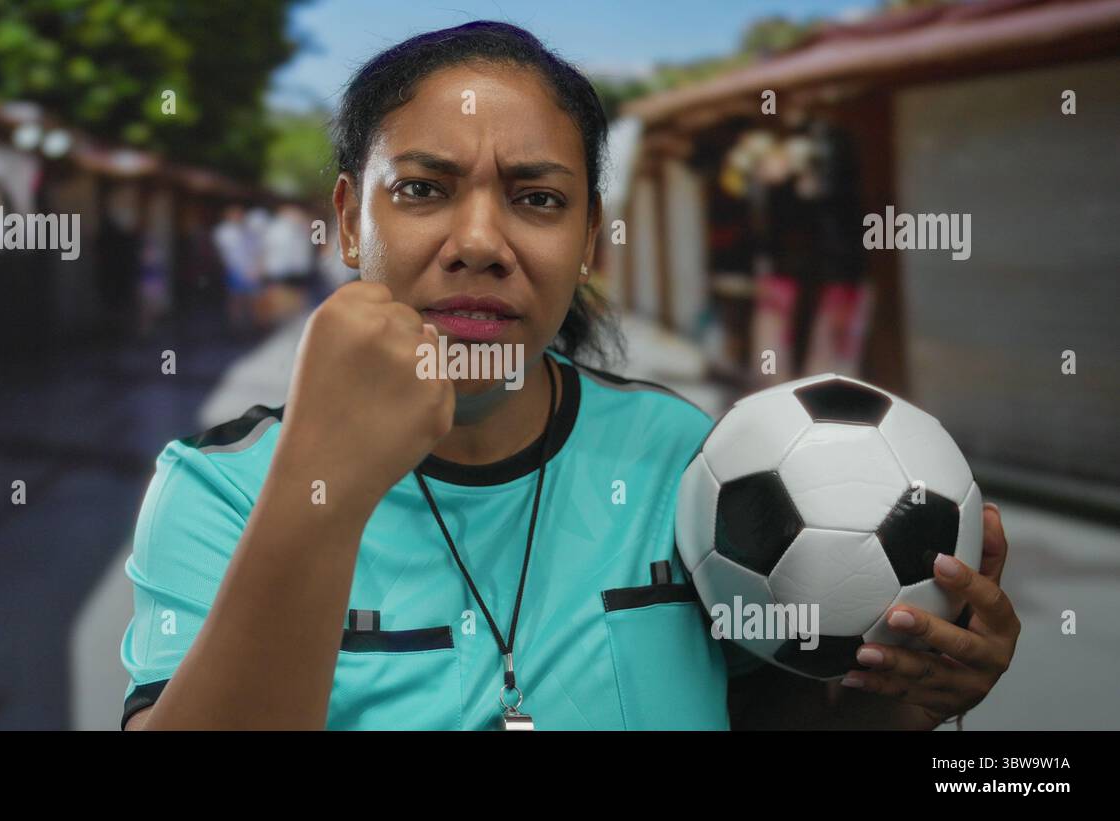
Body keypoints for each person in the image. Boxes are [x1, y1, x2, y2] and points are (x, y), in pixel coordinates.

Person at [120, 20, 1018, 730]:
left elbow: (764, 715)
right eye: (424, 189)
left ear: (589, 239)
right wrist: (320, 485)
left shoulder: (690, 463)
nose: (479, 244)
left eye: (538, 199)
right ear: (350, 222)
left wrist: (902, 696)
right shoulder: (217, 489)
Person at [212, 204, 259, 331]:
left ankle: (249, 325)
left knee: (250, 300)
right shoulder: (223, 232)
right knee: (235, 300)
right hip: (233, 269)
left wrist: (255, 268)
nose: (238, 217)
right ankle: (235, 327)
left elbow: (254, 251)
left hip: (249, 269)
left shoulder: (247, 231)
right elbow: (221, 253)